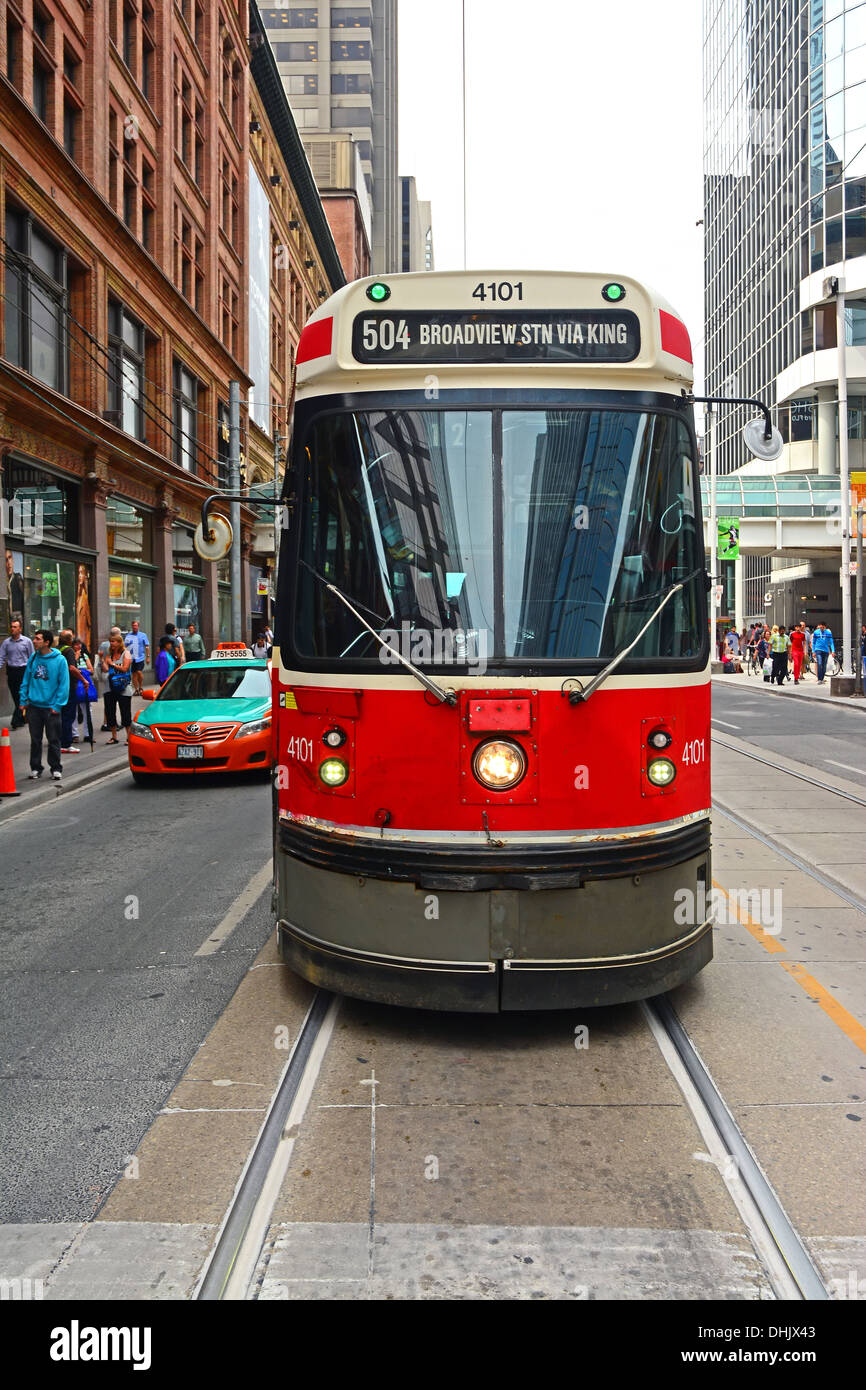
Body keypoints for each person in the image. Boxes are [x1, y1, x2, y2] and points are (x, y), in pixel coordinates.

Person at [19, 629, 69, 781]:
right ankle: (35, 768)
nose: (34, 641)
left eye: (38, 639)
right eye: (34, 638)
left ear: (46, 642)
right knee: (35, 740)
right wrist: (23, 700)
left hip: (51, 707)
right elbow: (26, 681)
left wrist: (57, 705)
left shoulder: (60, 660)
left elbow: (63, 685)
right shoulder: (33, 658)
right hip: (34, 706)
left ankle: (55, 768)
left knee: (53, 739)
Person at [0, 618, 34, 728]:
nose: (12, 629)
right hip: (12, 671)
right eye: (12, 627)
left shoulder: (27, 641)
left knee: (21, 695)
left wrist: (32, 672)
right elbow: (1, 657)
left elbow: (31, 657)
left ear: (20, 629)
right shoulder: (6, 642)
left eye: (15, 627)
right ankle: (22, 716)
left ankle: (15, 720)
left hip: (23, 671)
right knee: (15, 695)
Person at [100, 631, 133, 744]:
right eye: (110, 642)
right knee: (110, 711)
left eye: (113, 641)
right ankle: (114, 736)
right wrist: (101, 659)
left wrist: (112, 664)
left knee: (125, 712)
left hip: (123, 686)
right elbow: (105, 669)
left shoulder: (126, 653)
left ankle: (129, 737)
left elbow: (125, 668)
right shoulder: (109, 655)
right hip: (110, 687)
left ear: (119, 643)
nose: (111, 644)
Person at [58, 629, 81, 754]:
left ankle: (58, 741)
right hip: (69, 687)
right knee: (69, 715)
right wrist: (83, 679)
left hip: (58, 686)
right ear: (70, 640)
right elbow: (72, 668)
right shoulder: (69, 651)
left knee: (60, 715)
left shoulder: (55, 650)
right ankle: (66, 743)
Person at [70, 638, 96, 747]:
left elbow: (91, 669)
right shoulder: (71, 656)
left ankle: (88, 734)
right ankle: (74, 734)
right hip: (75, 685)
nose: (78, 647)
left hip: (84, 685)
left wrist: (82, 671)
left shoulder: (85, 656)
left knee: (87, 710)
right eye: (76, 645)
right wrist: (75, 658)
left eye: (79, 644)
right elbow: (71, 667)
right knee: (74, 710)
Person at [123, 619, 150, 696]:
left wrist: (148, 657)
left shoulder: (143, 635)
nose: (134, 627)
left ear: (138, 626)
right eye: (133, 626)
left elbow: (147, 646)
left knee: (139, 672)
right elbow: (125, 646)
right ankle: (136, 689)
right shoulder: (128, 636)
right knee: (134, 674)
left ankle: (141, 687)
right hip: (132, 658)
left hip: (140, 657)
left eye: (136, 625)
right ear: (132, 627)